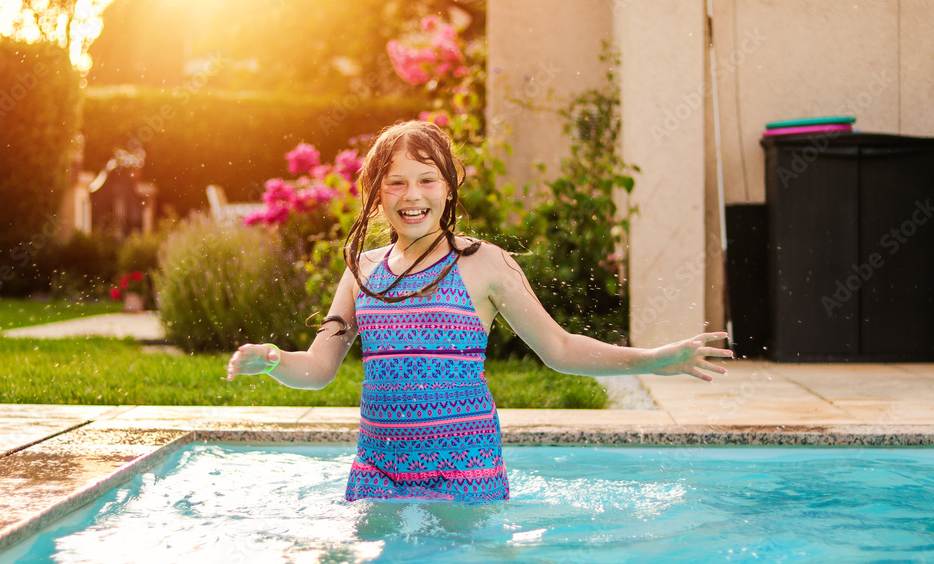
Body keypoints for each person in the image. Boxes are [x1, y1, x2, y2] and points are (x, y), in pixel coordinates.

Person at [226, 120, 733, 503]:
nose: (412, 196)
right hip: (377, 470)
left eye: (426, 180)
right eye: (396, 183)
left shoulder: (483, 264)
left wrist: (649, 360)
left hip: (464, 469)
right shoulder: (362, 269)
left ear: (448, 185)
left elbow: (558, 348)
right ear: (376, 194)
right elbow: (318, 370)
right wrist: (274, 359)